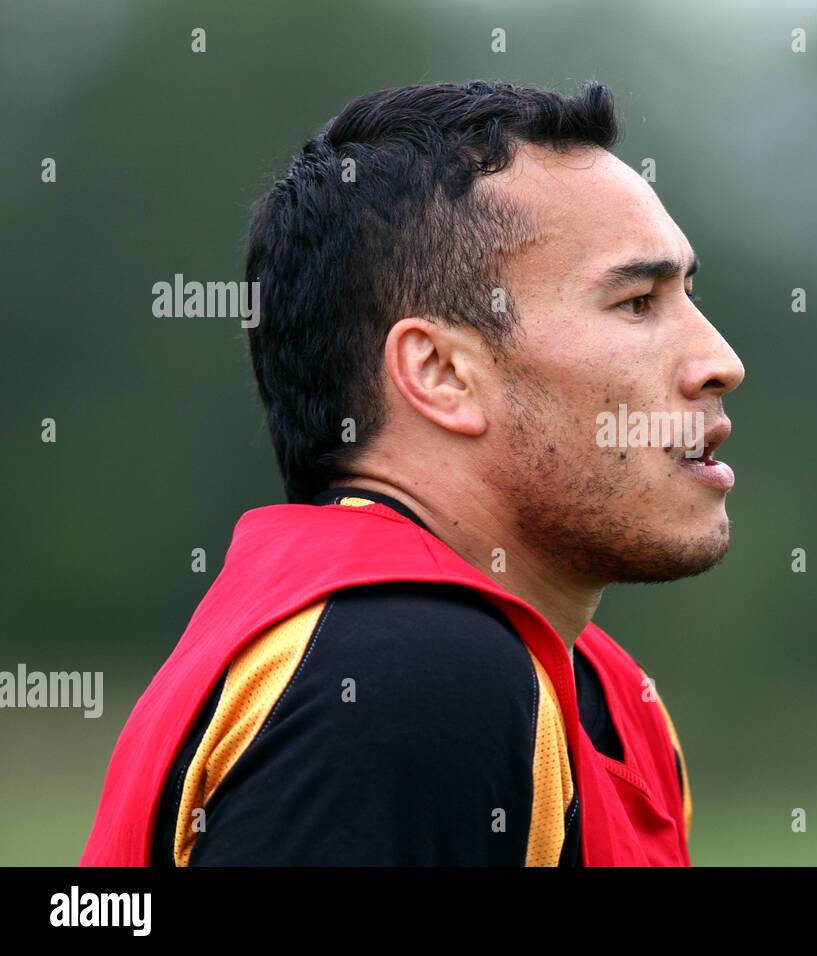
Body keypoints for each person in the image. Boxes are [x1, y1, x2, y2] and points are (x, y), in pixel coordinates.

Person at [80, 79, 744, 866]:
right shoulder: (408, 673)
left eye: (688, 296)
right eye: (637, 302)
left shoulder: (605, 691)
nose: (720, 362)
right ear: (440, 373)